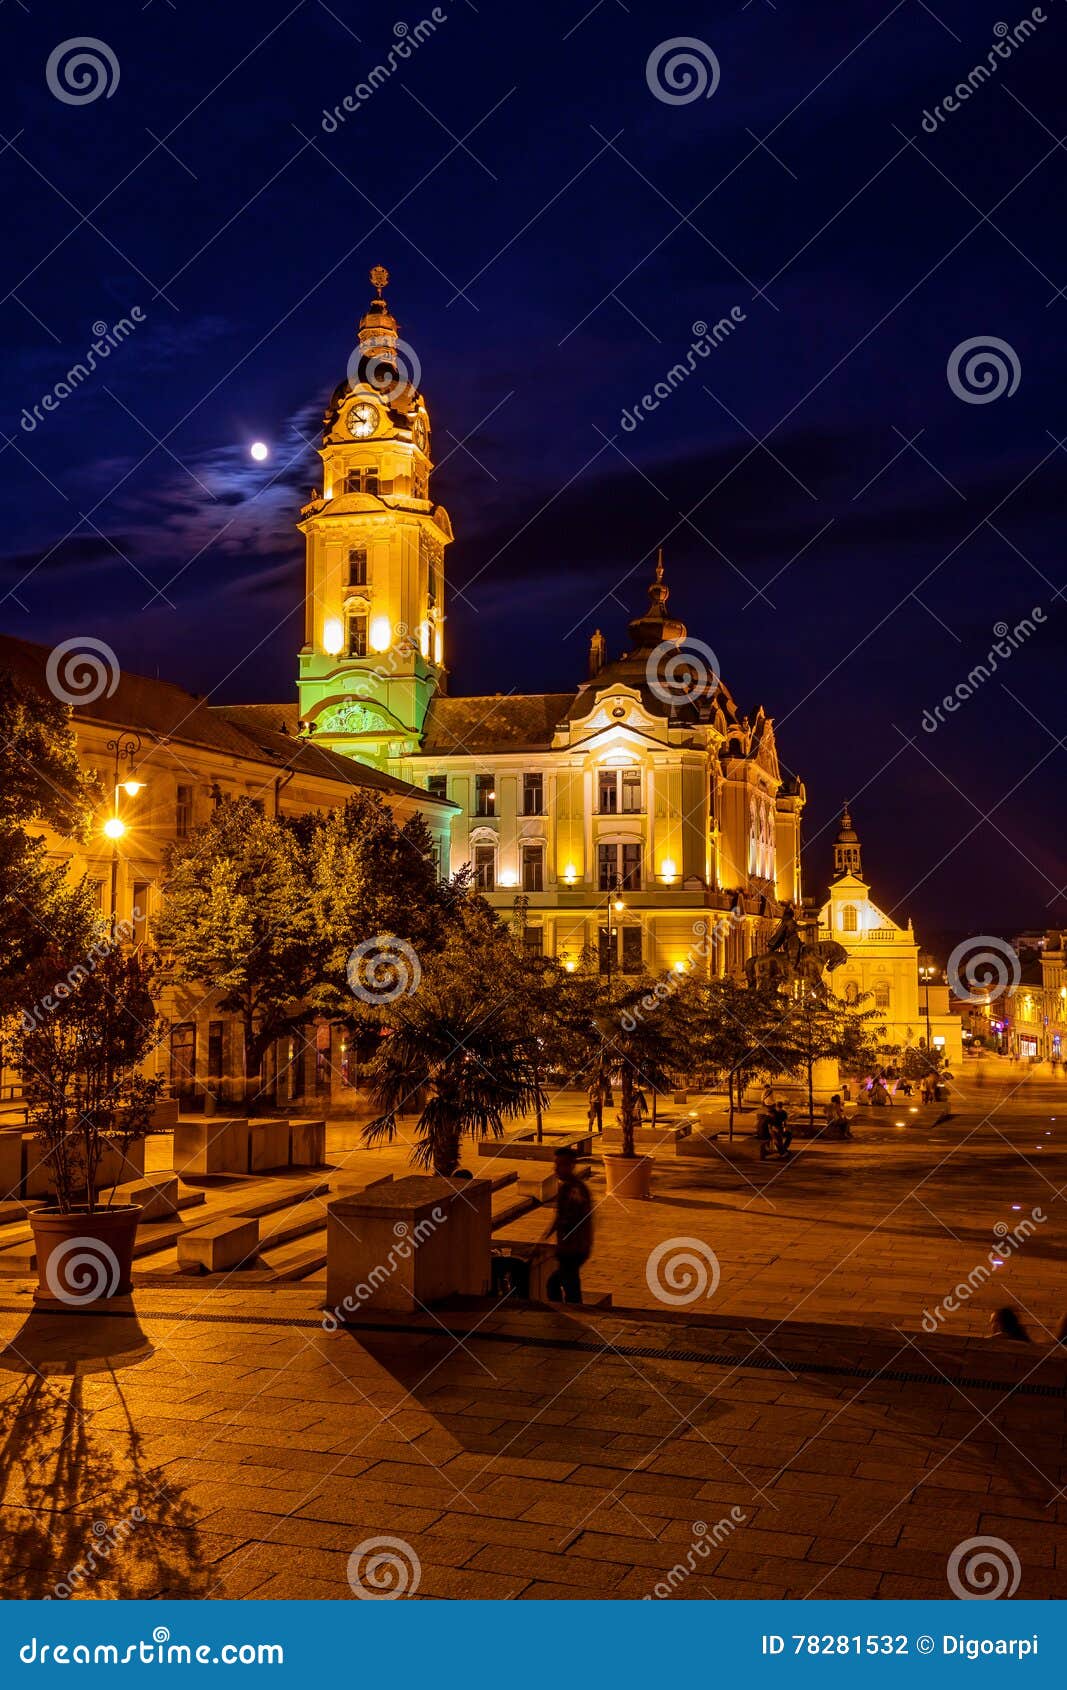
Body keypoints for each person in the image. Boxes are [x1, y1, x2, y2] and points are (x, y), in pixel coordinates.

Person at [544, 1147, 593, 1304]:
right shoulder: (568, 1188)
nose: (556, 1169)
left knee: (566, 1286)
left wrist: (566, 1245)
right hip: (571, 1248)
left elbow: (572, 1220)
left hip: (573, 1249)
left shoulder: (575, 1190)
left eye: (560, 1165)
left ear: (571, 1166)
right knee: (563, 1284)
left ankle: (569, 1316)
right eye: (556, 1164)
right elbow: (560, 1218)